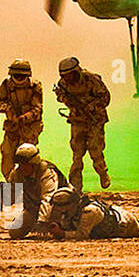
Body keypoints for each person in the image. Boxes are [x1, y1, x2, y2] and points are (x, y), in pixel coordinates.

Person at [38, 187, 139, 240]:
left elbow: (82, 235)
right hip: (115, 217)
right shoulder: (73, 212)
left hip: (124, 224)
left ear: (70, 205)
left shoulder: (89, 212)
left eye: (61, 207)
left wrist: (62, 233)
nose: (59, 210)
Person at [54, 56, 111, 190]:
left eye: (69, 75)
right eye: (64, 76)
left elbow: (105, 98)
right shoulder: (63, 83)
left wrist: (90, 106)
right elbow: (60, 96)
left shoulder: (91, 80)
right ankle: (75, 186)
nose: (67, 78)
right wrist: (67, 100)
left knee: (95, 149)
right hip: (77, 120)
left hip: (94, 120)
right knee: (77, 153)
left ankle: (103, 173)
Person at [0, 143, 67, 239]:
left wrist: (41, 221)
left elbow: (48, 199)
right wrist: (3, 193)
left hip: (58, 209)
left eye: (25, 164)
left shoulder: (46, 172)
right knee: (14, 232)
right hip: (34, 209)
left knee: (56, 233)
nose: (22, 168)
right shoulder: (17, 174)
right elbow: (10, 200)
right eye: (20, 164)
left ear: (34, 163)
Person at [0, 59, 44, 179]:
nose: (19, 78)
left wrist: (24, 118)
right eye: (16, 75)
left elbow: (37, 108)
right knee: (7, 154)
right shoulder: (6, 85)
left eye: (21, 75)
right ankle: (11, 183)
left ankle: (28, 184)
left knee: (26, 157)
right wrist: (8, 110)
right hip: (12, 127)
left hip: (29, 128)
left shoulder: (35, 86)